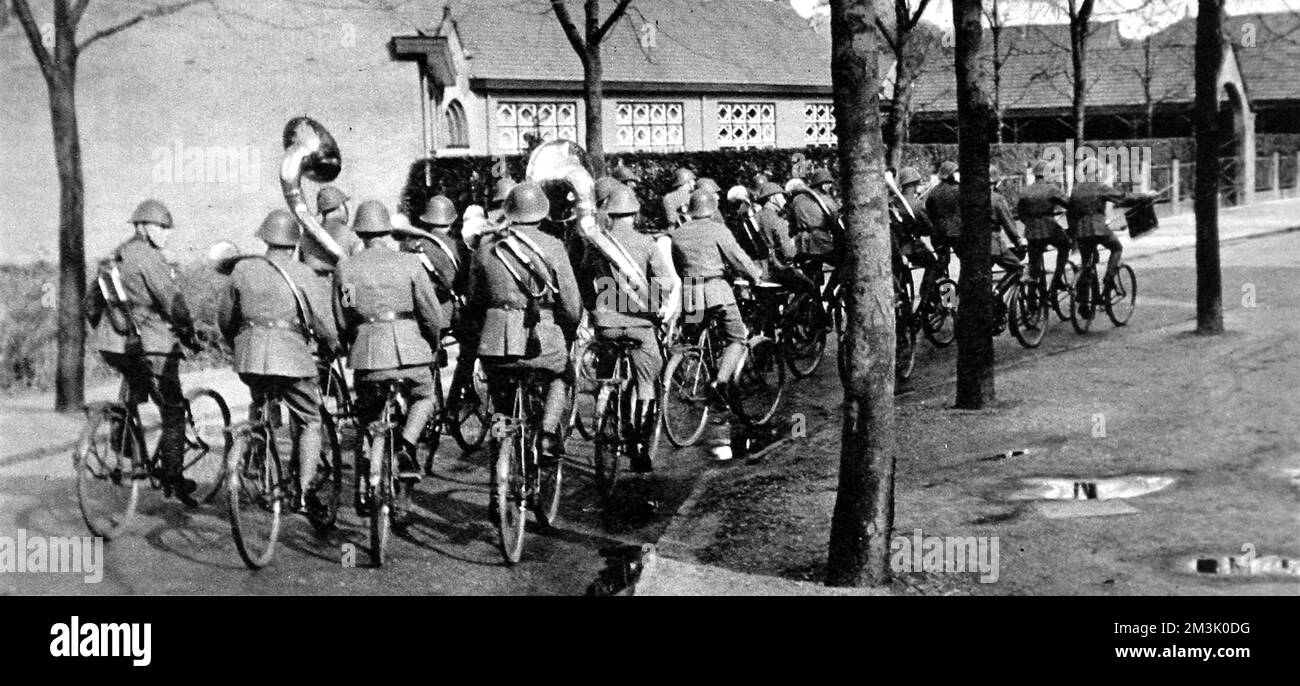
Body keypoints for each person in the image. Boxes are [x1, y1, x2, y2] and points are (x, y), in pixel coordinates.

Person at [216, 210, 340, 514]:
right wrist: (332, 343)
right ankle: (303, 492)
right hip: (291, 358)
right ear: (294, 244)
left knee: (260, 399)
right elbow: (323, 322)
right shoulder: (303, 273)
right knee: (310, 419)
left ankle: (256, 457)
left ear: (265, 240)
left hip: (250, 358)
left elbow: (225, 319)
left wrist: (239, 343)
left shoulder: (243, 270)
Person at [84, 199, 201, 506]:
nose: (166, 234)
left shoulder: (113, 256)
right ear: (142, 227)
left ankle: (124, 440)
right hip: (152, 344)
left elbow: (91, 303)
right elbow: (172, 302)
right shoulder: (149, 258)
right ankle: (173, 477)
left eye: (167, 228)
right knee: (173, 410)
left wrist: (110, 328)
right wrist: (189, 334)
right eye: (161, 227)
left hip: (114, 344)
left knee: (134, 385)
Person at [333, 200, 444, 503]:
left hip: (368, 355)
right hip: (411, 351)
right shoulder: (409, 263)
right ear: (387, 231)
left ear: (360, 232)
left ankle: (363, 484)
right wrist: (432, 343)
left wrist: (350, 341)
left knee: (367, 414)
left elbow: (346, 310)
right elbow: (430, 312)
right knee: (424, 397)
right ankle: (407, 446)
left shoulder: (347, 269)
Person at [464, 182, 583, 463]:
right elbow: (571, 302)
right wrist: (568, 327)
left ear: (509, 212)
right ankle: (548, 434)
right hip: (541, 335)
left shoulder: (485, 246)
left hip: (495, 341)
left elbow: (474, 298)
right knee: (560, 375)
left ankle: (499, 455)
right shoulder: (553, 246)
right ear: (542, 213)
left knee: (500, 400)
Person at [578, 186, 679, 472]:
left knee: (608, 367)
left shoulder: (596, 244)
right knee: (648, 376)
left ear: (609, 214)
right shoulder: (647, 243)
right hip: (640, 325)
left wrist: (595, 307)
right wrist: (652, 303)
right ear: (634, 214)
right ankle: (638, 446)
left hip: (606, 325)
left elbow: (585, 282)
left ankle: (607, 402)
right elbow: (666, 282)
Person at [671, 189, 764, 397]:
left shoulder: (678, 234)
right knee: (737, 338)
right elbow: (737, 258)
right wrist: (755, 276)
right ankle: (719, 383)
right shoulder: (717, 229)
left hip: (690, 295)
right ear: (712, 208)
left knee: (693, 336)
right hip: (717, 293)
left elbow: (678, 267)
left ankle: (685, 370)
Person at [1068, 162, 1152, 294]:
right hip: (1098, 229)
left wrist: (1074, 232)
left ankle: (1084, 301)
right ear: (1096, 173)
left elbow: (1070, 213)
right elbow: (1123, 198)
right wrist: (1145, 196)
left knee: (1087, 263)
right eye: (1100, 172)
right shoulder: (1100, 187)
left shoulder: (1076, 189)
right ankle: (1109, 279)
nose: (1101, 174)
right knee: (1117, 248)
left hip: (1081, 232)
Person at [1018, 160, 1072, 289]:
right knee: (1065, 245)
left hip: (1031, 231)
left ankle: (1032, 301)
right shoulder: (1052, 189)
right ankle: (1057, 279)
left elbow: (1020, 213)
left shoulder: (1024, 191)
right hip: (1050, 229)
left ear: (1035, 175)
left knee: (1034, 266)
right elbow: (1070, 204)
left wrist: (1030, 223)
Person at [788, 167, 840, 289]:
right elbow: (835, 219)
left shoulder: (797, 199)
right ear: (822, 184)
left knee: (811, 279)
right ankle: (830, 290)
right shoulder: (826, 199)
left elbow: (791, 221)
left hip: (802, 244)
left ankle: (815, 302)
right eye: (828, 183)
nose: (829, 186)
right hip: (820, 242)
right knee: (844, 262)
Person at [301, 184, 362, 274]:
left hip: (312, 285)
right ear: (340, 207)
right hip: (341, 286)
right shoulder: (350, 236)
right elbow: (358, 272)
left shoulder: (306, 236)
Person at [890, 167, 938, 280]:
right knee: (934, 263)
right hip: (912, 247)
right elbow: (928, 229)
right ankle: (925, 293)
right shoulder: (918, 205)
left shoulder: (894, 202)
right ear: (914, 184)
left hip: (897, 248)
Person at [923, 160, 962, 294]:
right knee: (966, 261)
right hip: (956, 232)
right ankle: (962, 292)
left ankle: (942, 297)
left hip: (938, 233)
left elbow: (929, 211)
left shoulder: (933, 192)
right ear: (951, 174)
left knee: (942, 265)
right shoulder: (958, 190)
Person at [989, 164, 1028, 272]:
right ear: (995, 182)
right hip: (993, 244)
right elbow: (1008, 223)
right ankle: (999, 290)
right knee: (1017, 267)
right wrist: (1018, 241)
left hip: (974, 245)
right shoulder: (997, 198)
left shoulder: (972, 198)